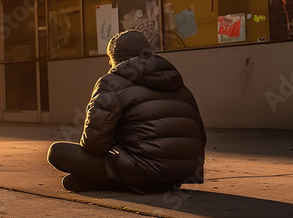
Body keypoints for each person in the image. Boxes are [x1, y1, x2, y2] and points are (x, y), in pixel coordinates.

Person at [47, 29, 206, 193]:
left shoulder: (111, 83)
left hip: (143, 173)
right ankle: (146, 183)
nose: (109, 64)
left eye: (109, 59)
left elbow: (93, 145)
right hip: (182, 174)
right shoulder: (178, 84)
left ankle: (107, 182)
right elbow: (201, 138)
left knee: (56, 152)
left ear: (115, 59)